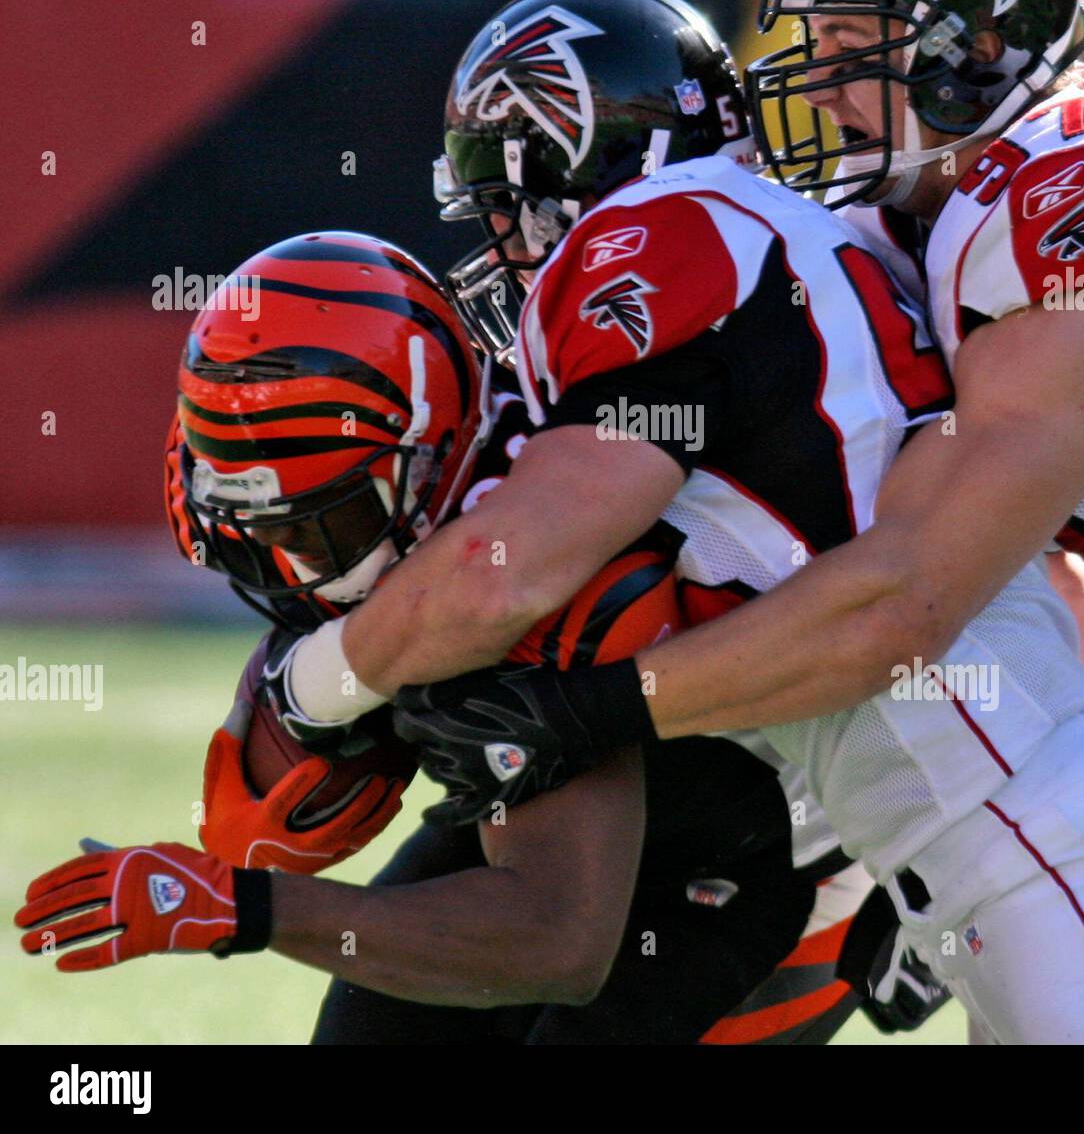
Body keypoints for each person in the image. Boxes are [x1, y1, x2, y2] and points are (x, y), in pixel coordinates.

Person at [236, 0, 1084, 1042]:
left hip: (1048, 856)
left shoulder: (659, 237)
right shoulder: (837, 240)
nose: (502, 239)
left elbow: (506, 569)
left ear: (567, 153)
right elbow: (1034, 575)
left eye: (503, 197)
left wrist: (316, 686)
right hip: (1016, 848)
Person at [17, 231, 876, 1046]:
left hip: (774, 858)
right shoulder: (430, 513)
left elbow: (555, 941)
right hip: (570, 809)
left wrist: (249, 908)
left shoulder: (536, 569)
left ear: (426, 464)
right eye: (257, 525)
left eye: (321, 523)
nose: (289, 560)